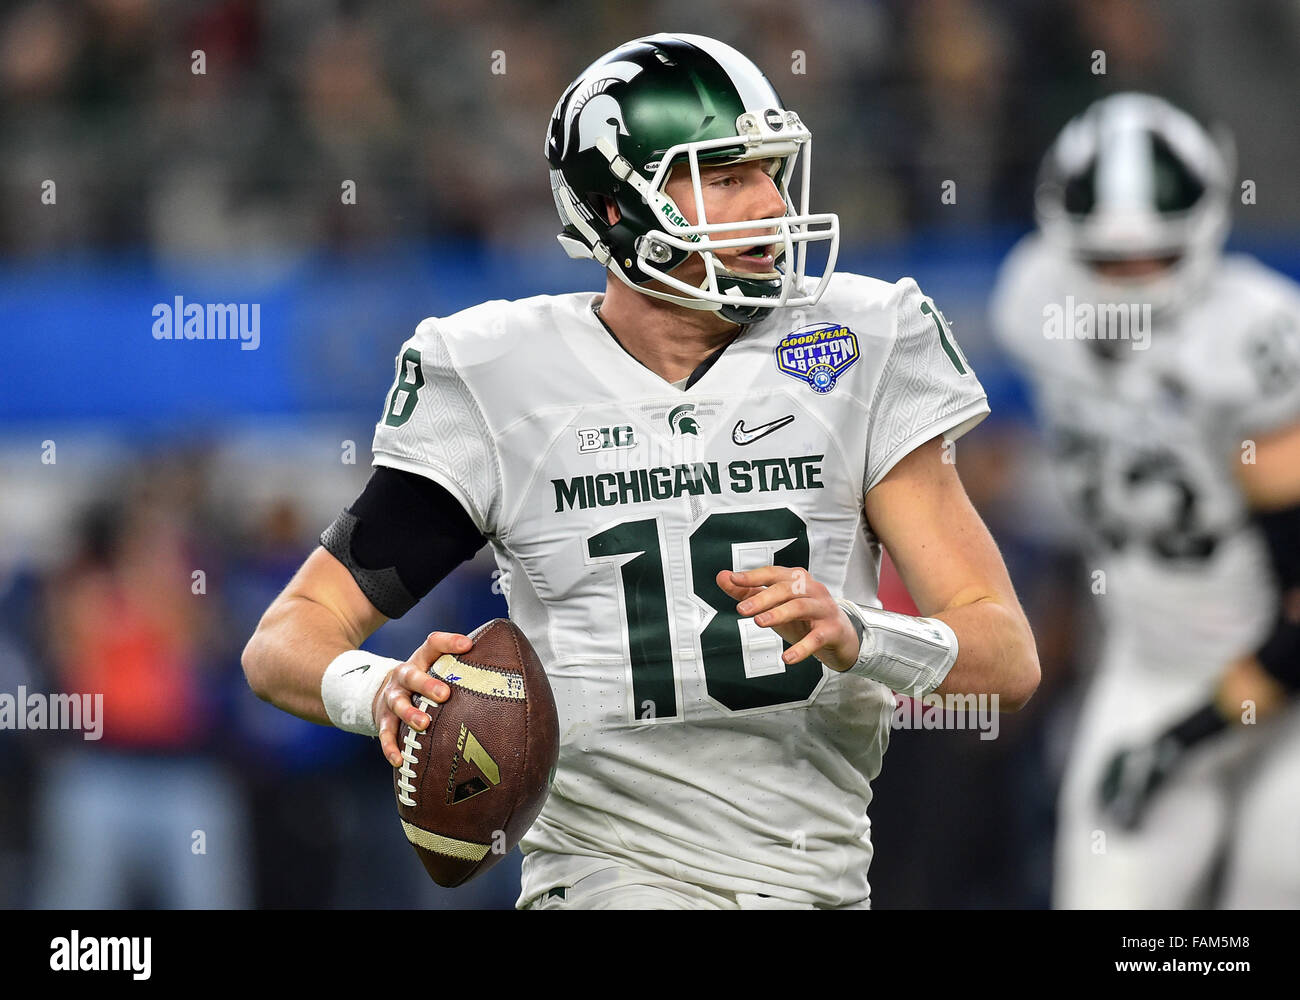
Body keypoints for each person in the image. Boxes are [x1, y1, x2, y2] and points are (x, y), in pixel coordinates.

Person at [243, 32, 1039, 910]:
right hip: (607, 877)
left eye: (771, 170)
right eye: (729, 176)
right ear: (619, 203)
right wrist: (380, 687)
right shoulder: (503, 376)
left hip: (820, 881)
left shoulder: (855, 343)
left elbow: (1006, 651)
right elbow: (288, 637)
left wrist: (865, 636)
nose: (771, 201)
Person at [991, 92, 1300, 909]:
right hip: (1147, 662)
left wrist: (1183, 739)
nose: (1132, 281)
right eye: (1109, 260)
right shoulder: (1032, 301)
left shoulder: (1259, 335)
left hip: (1280, 685)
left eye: (1155, 257)